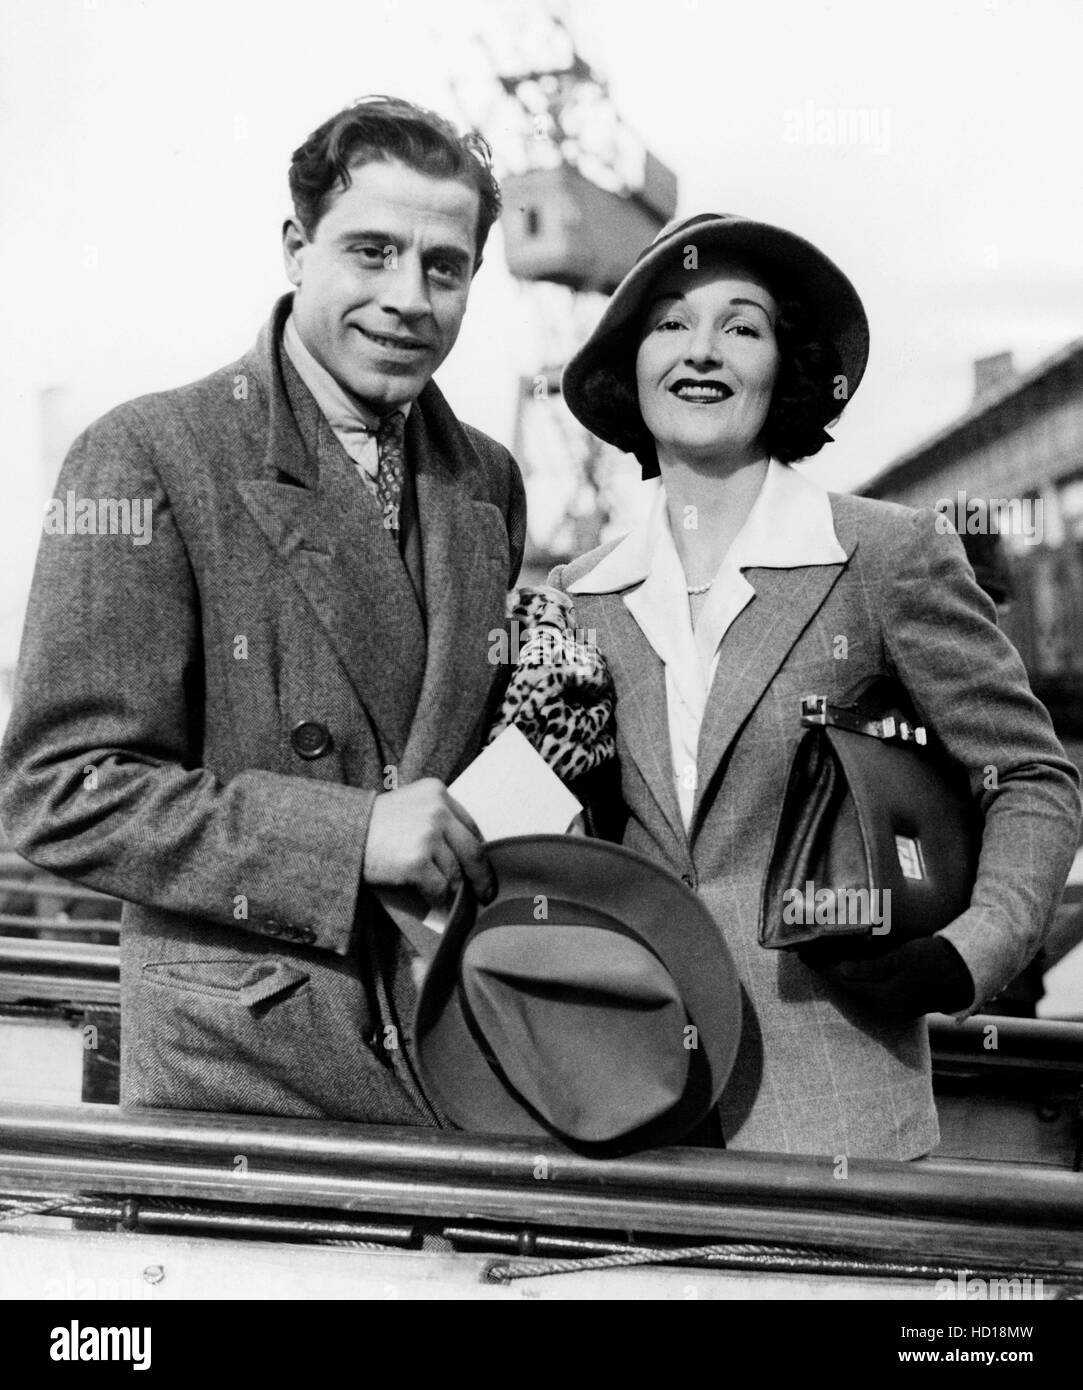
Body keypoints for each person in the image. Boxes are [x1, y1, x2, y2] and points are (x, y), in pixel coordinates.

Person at [0, 96, 526, 1124]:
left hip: (462, 1055)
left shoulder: (487, 482)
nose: (408, 299)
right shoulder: (149, 452)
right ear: (296, 249)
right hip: (244, 1082)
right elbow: (59, 791)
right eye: (370, 252)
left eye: (444, 266)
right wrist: (346, 838)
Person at [552, 213, 1081, 1159]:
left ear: (783, 368)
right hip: (623, 1107)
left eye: (740, 326)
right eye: (669, 325)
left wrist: (969, 953)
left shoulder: (883, 554)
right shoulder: (576, 594)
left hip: (836, 1122)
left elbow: (1030, 778)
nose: (701, 353)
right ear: (628, 369)